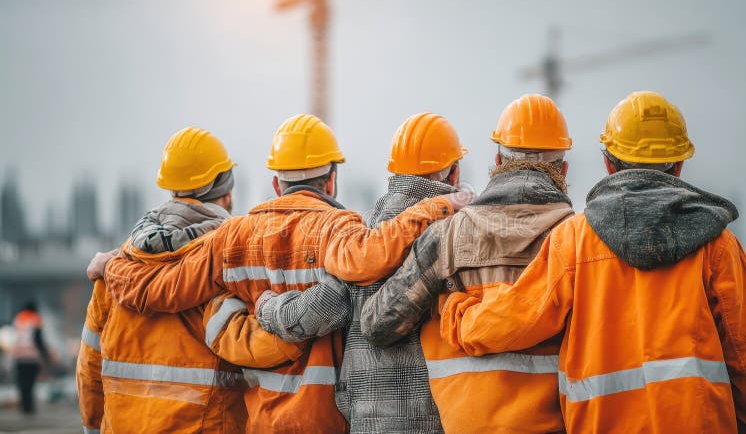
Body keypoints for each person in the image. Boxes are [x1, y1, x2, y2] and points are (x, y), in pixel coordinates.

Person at [95, 114, 472, 434]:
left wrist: (111, 267)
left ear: (276, 183)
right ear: (331, 181)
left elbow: (164, 288)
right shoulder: (338, 227)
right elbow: (371, 257)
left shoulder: (232, 236)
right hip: (324, 415)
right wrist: (438, 205)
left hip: (262, 418)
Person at [439, 91, 746, 433]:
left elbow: (515, 321)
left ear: (608, 164)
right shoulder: (718, 244)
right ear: (679, 165)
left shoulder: (574, 241)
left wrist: (456, 313)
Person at [360, 95, 574, 434]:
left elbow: (377, 324)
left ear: (498, 160)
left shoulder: (447, 236)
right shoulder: (576, 240)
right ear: (563, 170)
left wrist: (447, 306)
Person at [253, 112, 466, 434]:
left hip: (367, 415)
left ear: (393, 173)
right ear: (454, 174)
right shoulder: (462, 228)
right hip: (441, 415)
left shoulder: (365, 233)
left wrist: (267, 307)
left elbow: (319, 310)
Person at [77, 127, 281, 434]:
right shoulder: (227, 268)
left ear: (171, 189)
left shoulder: (116, 268)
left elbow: (89, 367)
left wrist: (94, 427)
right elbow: (259, 359)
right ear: (226, 193)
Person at [12, 301, 49, 415]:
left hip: (19, 357)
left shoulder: (18, 318)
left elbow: (15, 337)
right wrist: (45, 353)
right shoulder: (35, 318)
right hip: (31, 358)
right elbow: (38, 339)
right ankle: (29, 407)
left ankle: (24, 406)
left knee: (22, 383)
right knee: (30, 383)